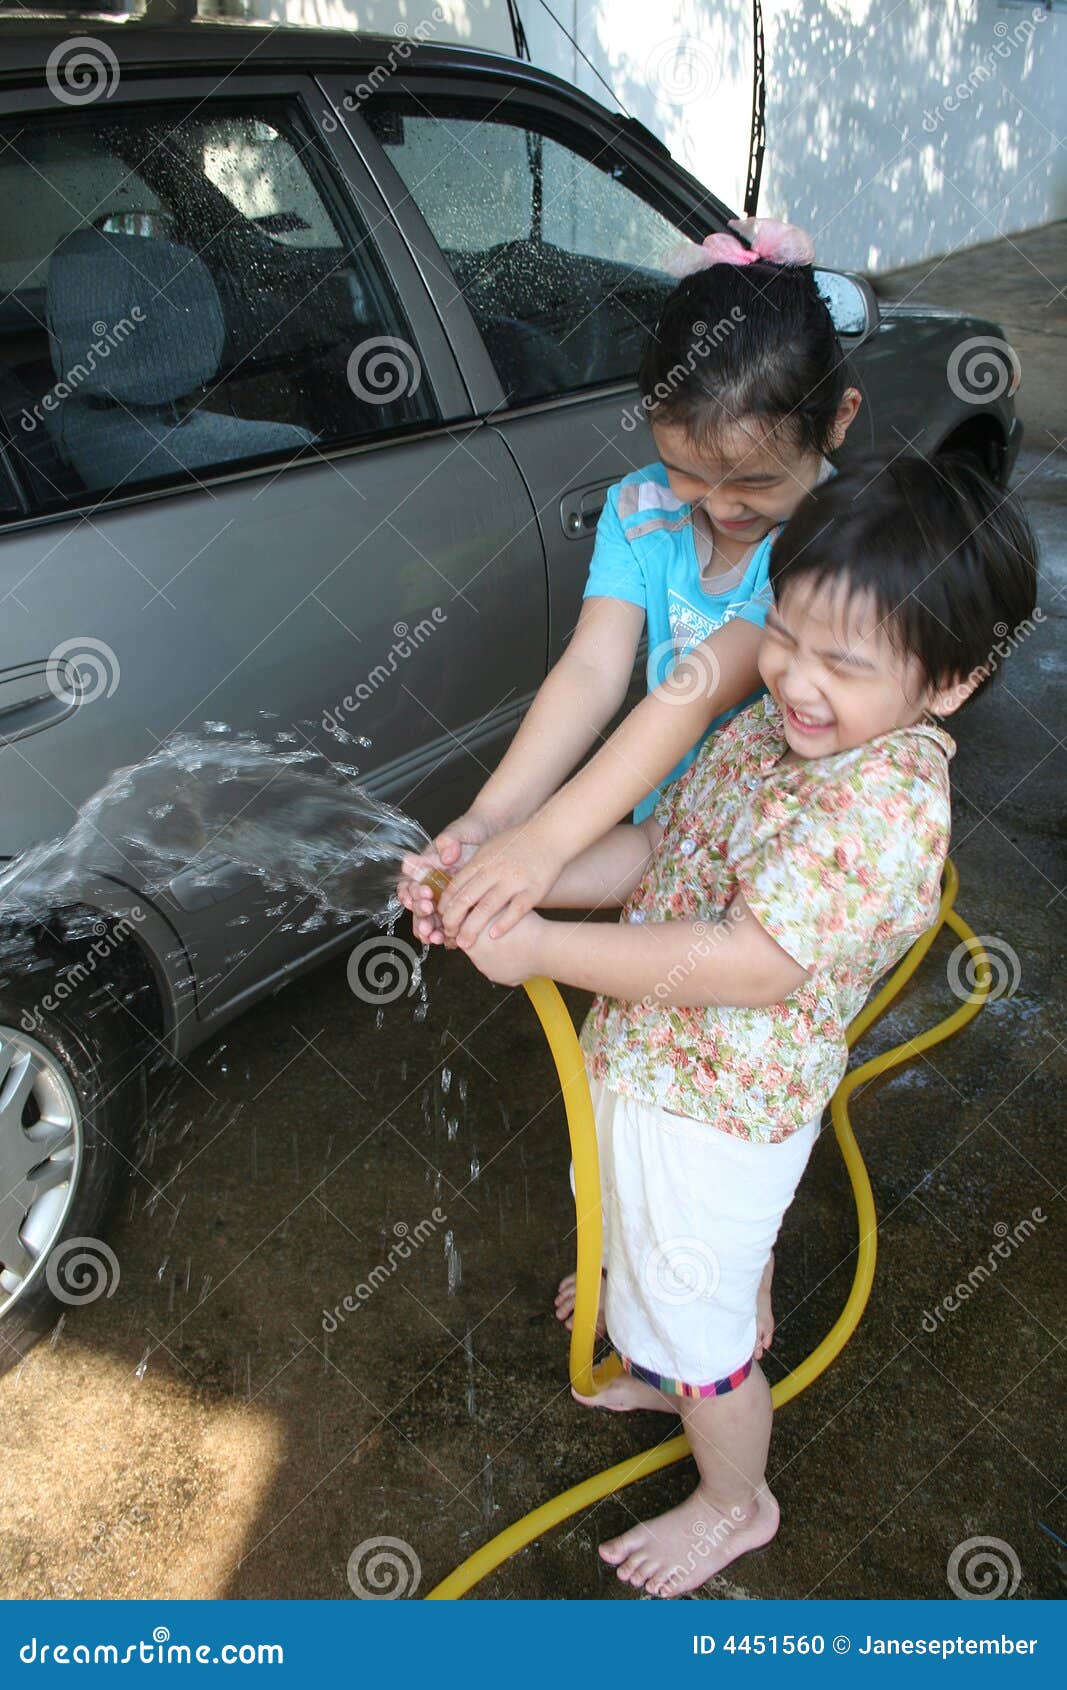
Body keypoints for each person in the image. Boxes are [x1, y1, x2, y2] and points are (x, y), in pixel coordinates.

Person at [456, 453, 1038, 1597]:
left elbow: (743, 962)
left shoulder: (875, 810)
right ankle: (665, 1322)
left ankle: (732, 1497)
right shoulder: (778, 728)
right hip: (655, 1058)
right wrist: (522, 878)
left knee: (705, 1330)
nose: (794, 678)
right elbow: (661, 858)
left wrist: (539, 950)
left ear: (951, 681)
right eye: (783, 633)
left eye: (843, 662)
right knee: (639, 1234)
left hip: (719, 1108)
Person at [398, 216, 863, 951]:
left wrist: (542, 845)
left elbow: (693, 695)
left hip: (784, 865)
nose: (718, 506)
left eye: (755, 482)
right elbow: (590, 669)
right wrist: (491, 829)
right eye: (688, 473)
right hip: (666, 831)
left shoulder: (834, 549)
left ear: (837, 420)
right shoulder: (642, 510)